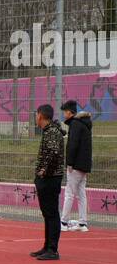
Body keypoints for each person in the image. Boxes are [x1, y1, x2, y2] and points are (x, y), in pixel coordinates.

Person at [30, 104, 65, 261]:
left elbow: (53, 153)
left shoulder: (52, 132)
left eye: (36, 115)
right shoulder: (49, 131)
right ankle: (47, 246)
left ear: (41, 116)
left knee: (51, 213)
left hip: (50, 179)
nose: (35, 118)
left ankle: (52, 249)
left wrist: (44, 172)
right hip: (47, 178)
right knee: (47, 213)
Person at [60, 100, 92, 233]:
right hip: (84, 165)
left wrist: (70, 163)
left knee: (69, 193)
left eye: (64, 112)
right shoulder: (84, 124)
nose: (63, 115)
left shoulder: (75, 125)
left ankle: (63, 222)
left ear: (69, 112)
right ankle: (82, 223)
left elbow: (72, 145)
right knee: (81, 194)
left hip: (76, 165)